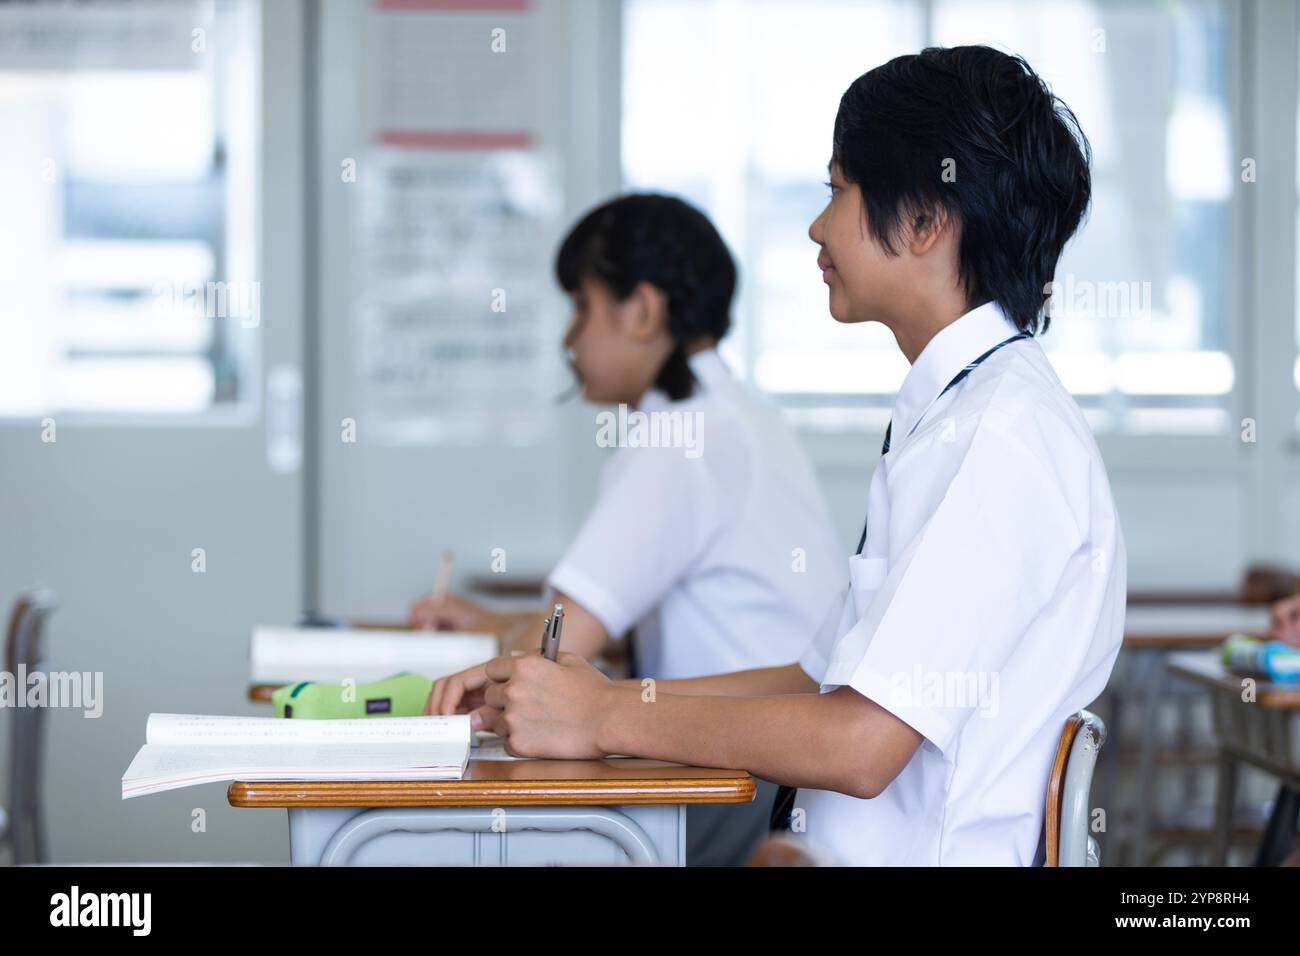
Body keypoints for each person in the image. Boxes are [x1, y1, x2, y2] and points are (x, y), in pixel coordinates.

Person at [430, 45, 1128, 866]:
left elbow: (861, 745)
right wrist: (591, 696)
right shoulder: (960, 414)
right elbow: (813, 681)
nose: (816, 227)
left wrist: (604, 717)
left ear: (925, 221)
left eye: (838, 190)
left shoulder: (1003, 437)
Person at [416, 194, 842, 865]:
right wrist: (492, 624)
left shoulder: (679, 438)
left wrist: (460, 692)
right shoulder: (735, 416)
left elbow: (554, 651)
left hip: (744, 782)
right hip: (773, 769)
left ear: (642, 311)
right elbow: (590, 623)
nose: (570, 338)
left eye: (581, 306)